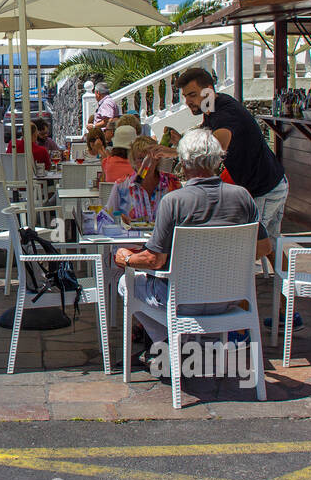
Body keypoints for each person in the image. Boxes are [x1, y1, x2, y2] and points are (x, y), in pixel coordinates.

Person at [115, 128, 272, 351]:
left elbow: (155, 261)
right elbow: (264, 247)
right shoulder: (242, 197)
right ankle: (178, 342)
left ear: (184, 161)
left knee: (125, 283)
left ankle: (168, 342)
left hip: (183, 299)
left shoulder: (174, 201)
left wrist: (127, 260)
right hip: (230, 296)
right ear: (218, 159)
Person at [148, 67, 288, 272]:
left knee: (247, 247)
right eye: (186, 96)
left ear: (209, 91)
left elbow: (213, 149)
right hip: (270, 182)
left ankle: (237, 297)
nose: (188, 101)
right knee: (270, 244)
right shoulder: (212, 109)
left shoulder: (225, 114)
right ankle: (287, 297)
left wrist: (176, 151)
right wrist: (181, 142)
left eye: (193, 95)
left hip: (263, 187)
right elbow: (205, 138)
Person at [105, 135, 181, 223]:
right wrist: (120, 219)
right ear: (133, 160)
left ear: (158, 159)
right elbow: (108, 217)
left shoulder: (171, 182)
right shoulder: (122, 185)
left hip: (165, 236)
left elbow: (184, 216)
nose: (146, 163)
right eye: (141, 159)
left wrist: (175, 152)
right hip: (132, 235)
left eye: (150, 158)